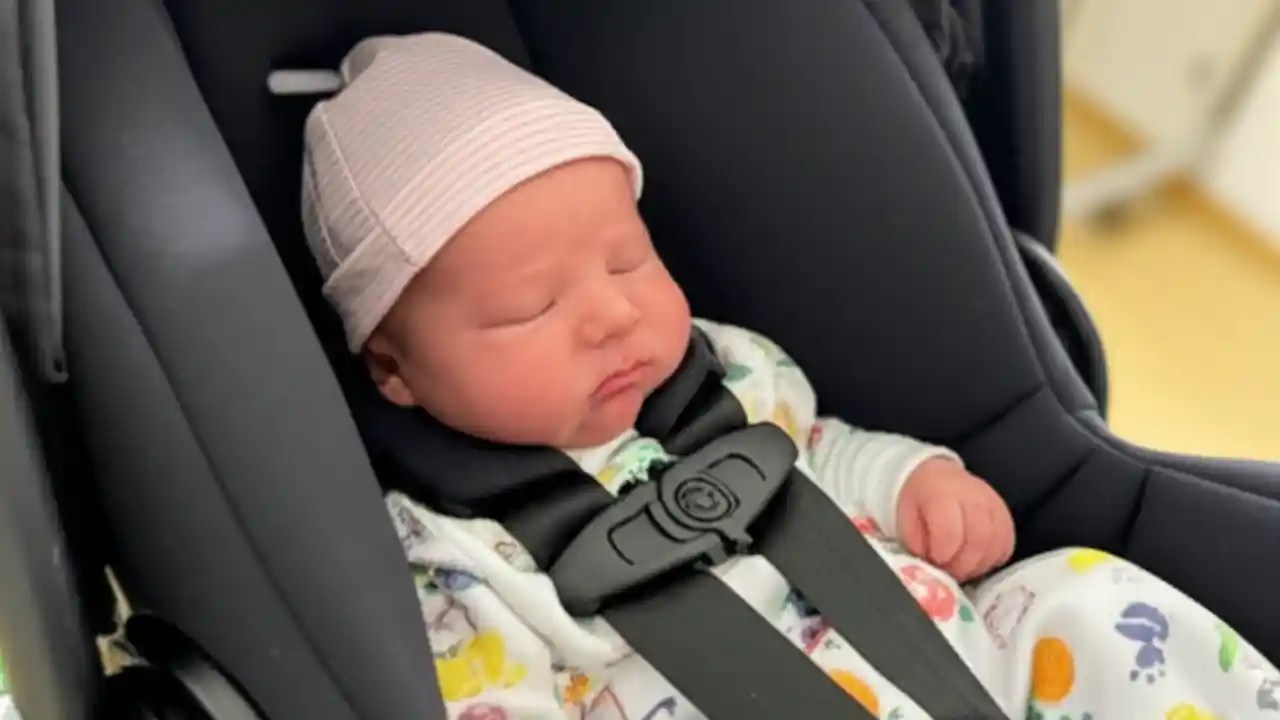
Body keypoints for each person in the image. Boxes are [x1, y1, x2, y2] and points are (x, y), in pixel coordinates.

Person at [301, 31, 1279, 720]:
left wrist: (913, 484)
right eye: (530, 309)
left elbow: (814, 452)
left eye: (626, 261)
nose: (609, 316)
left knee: (1086, 598)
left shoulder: (725, 375)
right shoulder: (451, 553)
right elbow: (489, 697)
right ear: (393, 368)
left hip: (965, 667)